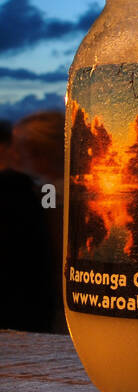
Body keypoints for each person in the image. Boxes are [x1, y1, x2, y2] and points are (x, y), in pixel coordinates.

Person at [1, 110, 66, 332]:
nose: (13, 155)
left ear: (44, 154)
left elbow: (53, 236)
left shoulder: (49, 191)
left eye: (20, 151)